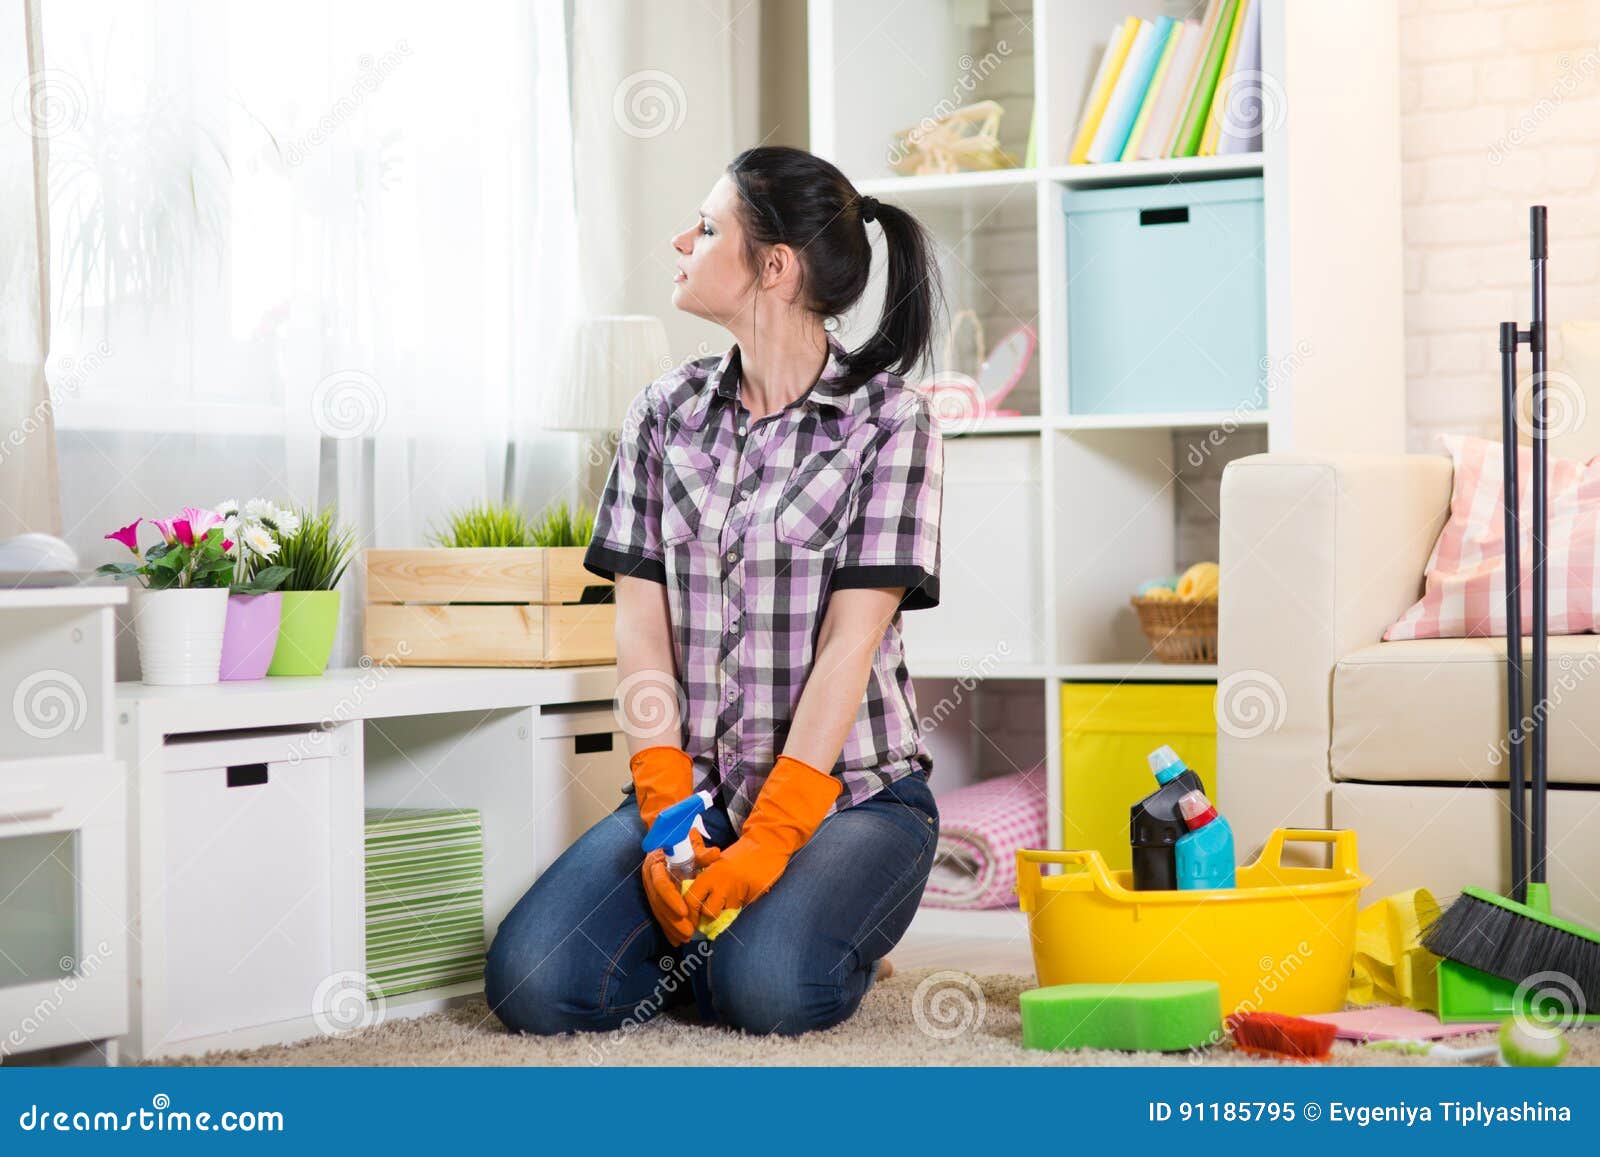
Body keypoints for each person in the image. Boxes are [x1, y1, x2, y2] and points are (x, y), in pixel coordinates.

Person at [484, 145, 946, 1037]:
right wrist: (665, 813)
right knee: (532, 981)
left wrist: (772, 839)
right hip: (698, 796)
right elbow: (640, 630)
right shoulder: (664, 412)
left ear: (775, 266)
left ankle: (787, 930)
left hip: (852, 797)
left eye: (706, 226)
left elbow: (852, 645)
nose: (680, 239)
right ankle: (736, 927)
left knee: (762, 991)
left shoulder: (891, 421)